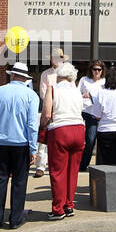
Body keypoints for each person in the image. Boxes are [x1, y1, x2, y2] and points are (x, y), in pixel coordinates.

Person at [0, 62, 40, 230]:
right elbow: (32, 124)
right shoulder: (31, 95)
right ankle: (15, 218)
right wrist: (33, 148)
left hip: (1, 142)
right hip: (21, 143)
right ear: (25, 78)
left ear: (12, 75)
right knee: (19, 181)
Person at [42, 62, 85, 219]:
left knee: (58, 171)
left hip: (60, 129)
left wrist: (42, 128)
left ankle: (58, 208)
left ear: (58, 75)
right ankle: (69, 204)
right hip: (79, 128)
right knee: (72, 171)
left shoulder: (53, 89)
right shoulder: (76, 91)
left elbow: (47, 114)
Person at [33, 48, 66, 178]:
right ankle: (41, 166)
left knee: (60, 139)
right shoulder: (45, 74)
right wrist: (51, 102)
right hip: (49, 108)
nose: (56, 59)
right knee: (43, 138)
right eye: (54, 57)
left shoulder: (67, 73)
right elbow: (42, 93)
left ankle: (57, 164)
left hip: (62, 109)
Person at [77, 60, 107, 171]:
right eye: (95, 69)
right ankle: (83, 165)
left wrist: (91, 96)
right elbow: (77, 94)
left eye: (99, 69)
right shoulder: (84, 80)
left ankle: (100, 165)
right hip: (89, 113)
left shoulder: (105, 81)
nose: (97, 72)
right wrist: (84, 96)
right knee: (90, 140)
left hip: (103, 115)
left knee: (102, 141)